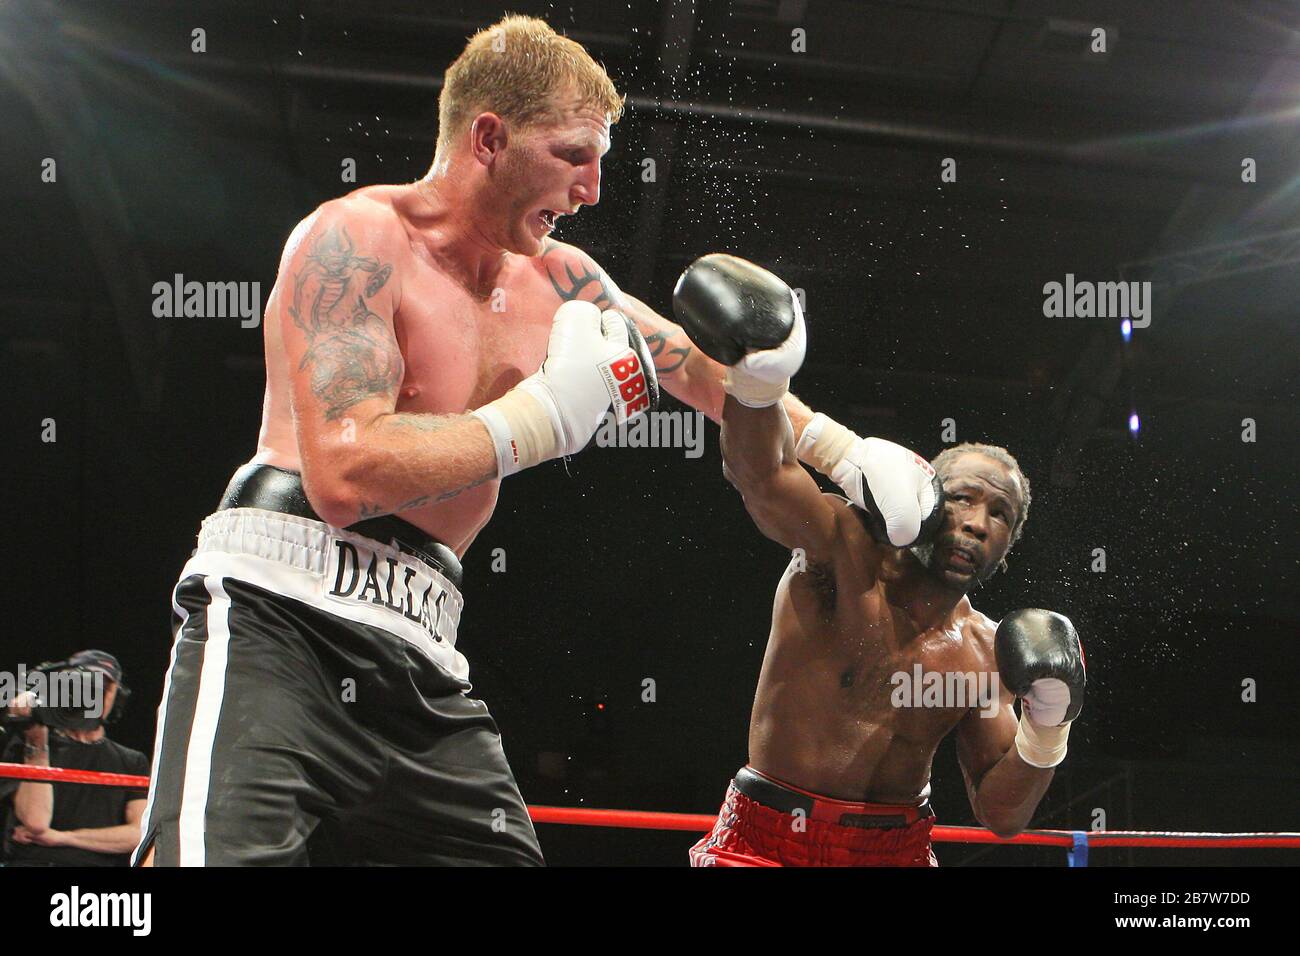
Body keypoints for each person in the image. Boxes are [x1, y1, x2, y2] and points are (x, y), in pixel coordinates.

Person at [135, 16, 815, 866]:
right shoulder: (358, 240)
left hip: (422, 651)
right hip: (282, 617)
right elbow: (345, 475)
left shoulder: (562, 280)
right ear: (489, 136)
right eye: (573, 154)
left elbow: (707, 378)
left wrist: (853, 455)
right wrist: (540, 421)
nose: (592, 189)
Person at [671, 255, 1085, 866]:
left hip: (897, 852)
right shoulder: (845, 549)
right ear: (925, 498)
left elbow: (1001, 815)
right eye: (963, 498)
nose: (974, 522)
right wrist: (756, 383)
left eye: (999, 514)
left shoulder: (984, 650)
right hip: (764, 842)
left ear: (1008, 543)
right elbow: (760, 475)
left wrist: (1050, 724)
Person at [2, 651, 148, 867]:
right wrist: (36, 737)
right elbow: (36, 822)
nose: (94, 697)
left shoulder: (131, 761)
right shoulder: (30, 742)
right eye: (86, 688)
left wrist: (62, 837)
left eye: (104, 689)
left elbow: (138, 833)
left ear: (116, 696)